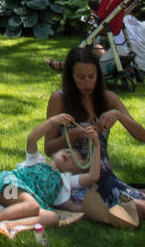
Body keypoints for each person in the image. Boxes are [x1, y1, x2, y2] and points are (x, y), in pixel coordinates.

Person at [45, 45, 145, 220]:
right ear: (70, 77)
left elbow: (141, 136)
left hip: (104, 177)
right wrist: (73, 136)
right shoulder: (59, 99)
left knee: (140, 206)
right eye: (81, 78)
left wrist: (119, 115)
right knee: (138, 209)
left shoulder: (108, 98)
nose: (87, 83)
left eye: (92, 77)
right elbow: (48, 147)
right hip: (73, 181)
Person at [0, 113, 98, 238]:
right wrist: (52, 121)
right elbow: (32, 139)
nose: (69, 155)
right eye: (67, 150)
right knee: (32, 206)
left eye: (73, 159)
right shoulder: (37, 160)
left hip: (27, 204)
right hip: (8, 187)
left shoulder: (66, 182)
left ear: (75, 170)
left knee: (53, 217)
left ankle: (7, 224)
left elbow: (92, 177)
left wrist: (96, 145)